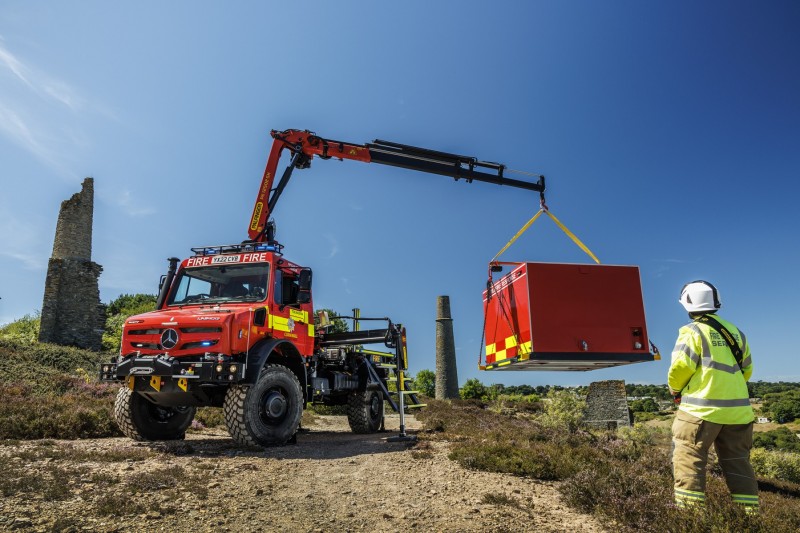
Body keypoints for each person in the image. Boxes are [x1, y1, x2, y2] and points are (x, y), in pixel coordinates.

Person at [668, 280, 758, 514]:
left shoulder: (692, 331)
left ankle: (691, 518)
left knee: (689, 460)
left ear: (687, 304)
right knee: (739, 465)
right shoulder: (737, 333)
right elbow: (747, 370)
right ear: (716, 302)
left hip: (699, 412)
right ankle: (750, 517)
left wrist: (675, 390)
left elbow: (680, 368)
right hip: (739, 414)